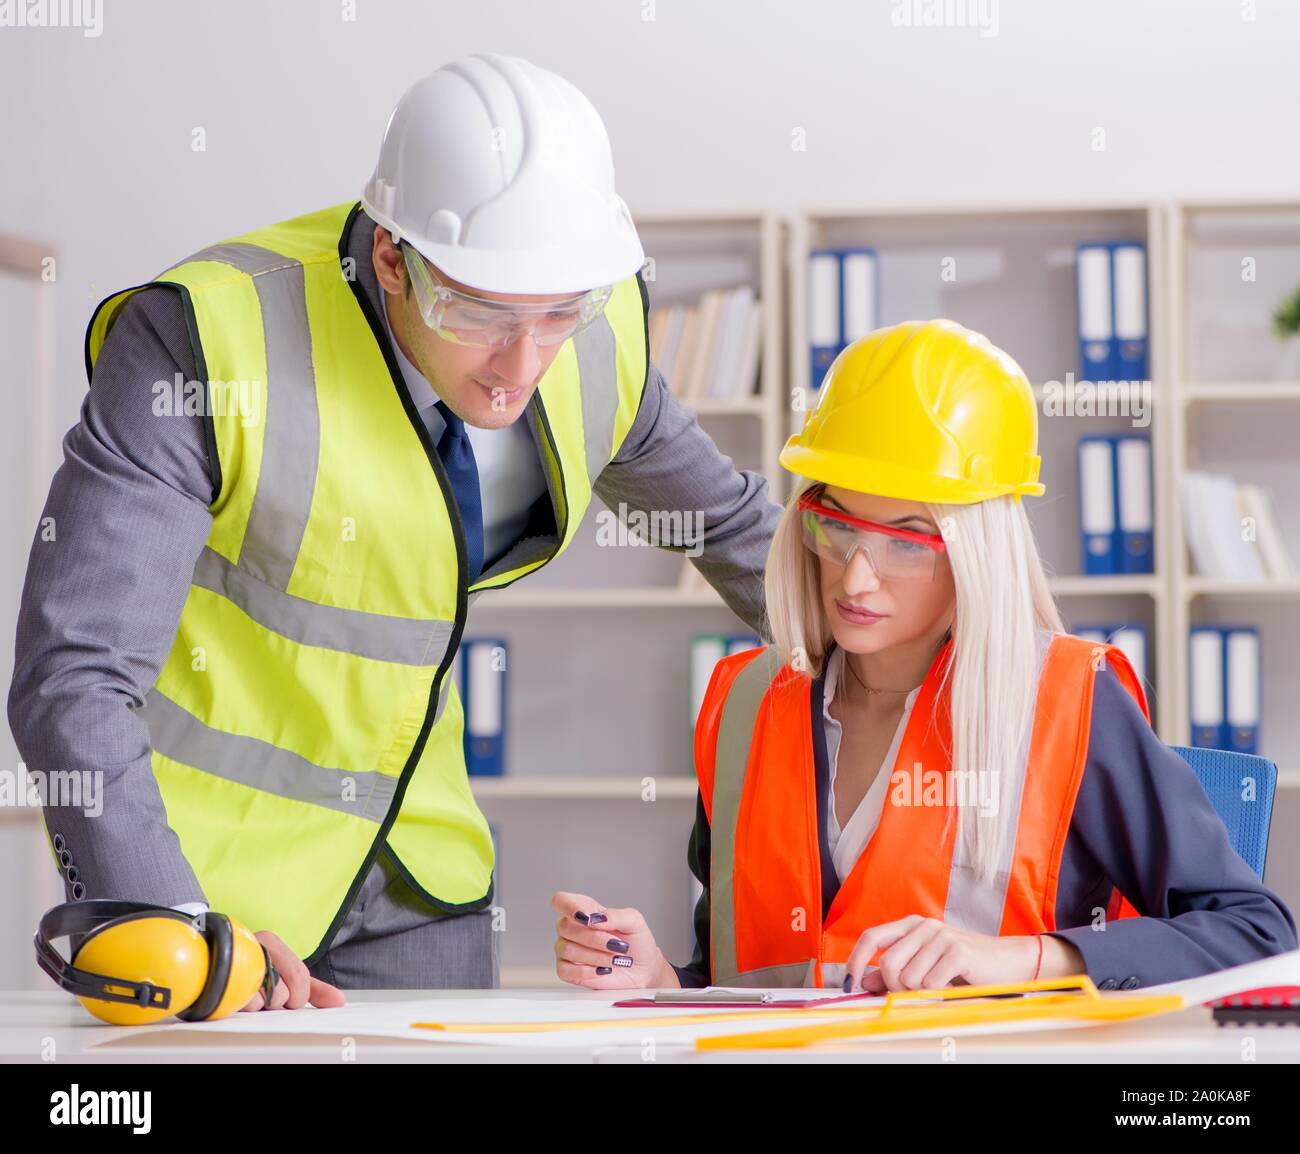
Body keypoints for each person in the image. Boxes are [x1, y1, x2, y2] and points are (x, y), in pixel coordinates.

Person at [9, 54, 781, 1011]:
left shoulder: (594, 339)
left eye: (556, 316)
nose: (520, 367)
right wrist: (172, 926)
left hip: (423, 876)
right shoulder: (206, 343)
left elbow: (743, 536)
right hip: (216, 892)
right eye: (478, 313)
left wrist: (961, 652)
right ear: (390, 257)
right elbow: (74, 674)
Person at [551, 319, 1298, 992]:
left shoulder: (1068, 699)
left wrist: (1029, 958)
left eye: (906, 541)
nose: (856, 576)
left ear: (979, 553)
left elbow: (1258, 935)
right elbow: (746, 979)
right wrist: (661, 980)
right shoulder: (743, 706)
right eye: (836, 525)